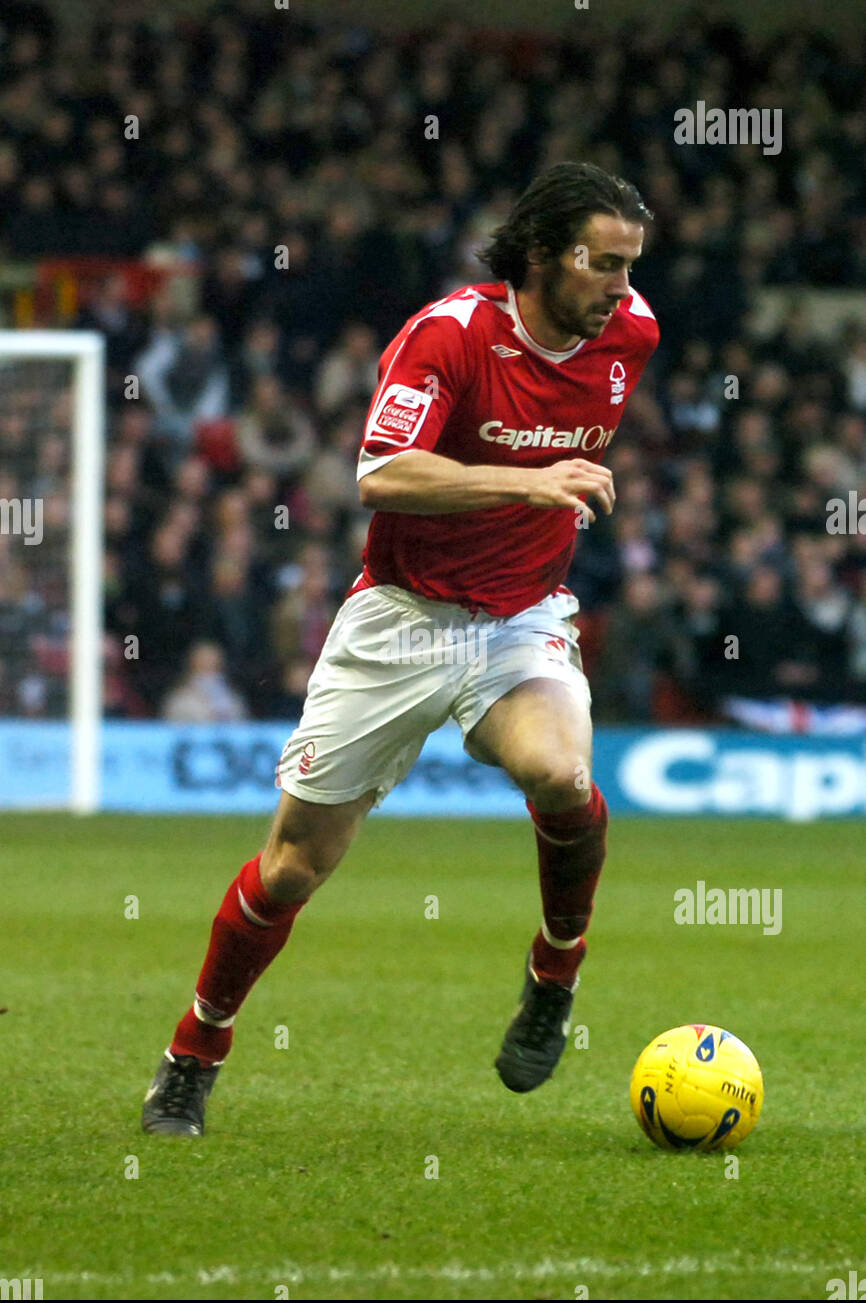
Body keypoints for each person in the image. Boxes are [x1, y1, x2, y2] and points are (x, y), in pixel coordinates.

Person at [142, 161, 660, 1136]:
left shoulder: (630, 334)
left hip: (520, 616)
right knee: (293, 866)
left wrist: (537, 498)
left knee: (559, 773)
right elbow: (379, 474)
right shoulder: (448, 336)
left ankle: (555, 969)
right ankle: (195, 1049)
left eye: (632, 267)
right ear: (543, 253)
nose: (621, 290)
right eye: (604, 264)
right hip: (397, 619)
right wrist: (528, 481)